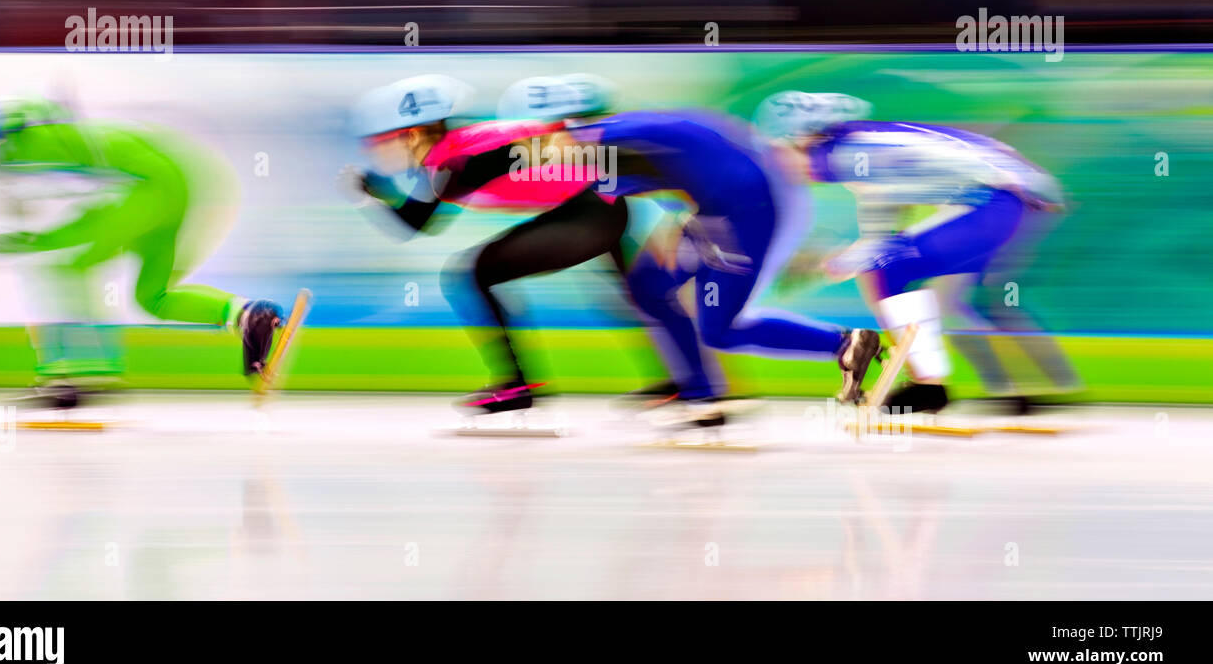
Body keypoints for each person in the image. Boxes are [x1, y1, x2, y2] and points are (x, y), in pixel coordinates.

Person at [497, 76, 883, 426]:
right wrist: (681, 216)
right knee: (648, 285)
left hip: (743, 210)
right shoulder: (605, 148)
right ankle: (699, 393)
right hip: (723, 206)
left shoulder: (600, 138)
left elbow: (681, 151)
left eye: (530, 143)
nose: (531, 155)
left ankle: (843, 344)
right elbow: (675, 161)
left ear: (554, 130)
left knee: (721, 330)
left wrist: (689, 217)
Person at [0, 99, 286, 405]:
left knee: (68, 268)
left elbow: (53, 234)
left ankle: (80, 373)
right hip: (174, 180)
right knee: (152, 297)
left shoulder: (19, 153)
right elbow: (53, 226)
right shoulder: (21, 147)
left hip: (145, 186)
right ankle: (249, 315)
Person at [753, 90, 1082, 414]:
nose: (778, 168)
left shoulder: (847, 154)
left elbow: (882, 247)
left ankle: (930, 387)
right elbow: (882, 228)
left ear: (804, 139)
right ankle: (1033, 386)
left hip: (999, 199)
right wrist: (838, 262)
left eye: (777, 153)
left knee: (889, 269)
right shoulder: (859, 150)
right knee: (957, 297)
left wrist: (829, 264)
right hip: (1010, 196)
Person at [349, 75, 629, 415]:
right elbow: (416, 221)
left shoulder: (460, 161)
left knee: (474, 273)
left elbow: (535, 147)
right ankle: (687, 384)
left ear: (412, 135)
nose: (382, 150)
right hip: (592, 205)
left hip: (593, 210)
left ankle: (517, 386)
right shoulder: (448, 158)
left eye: (387, 141)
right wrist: (378, 195)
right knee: (638, 296)